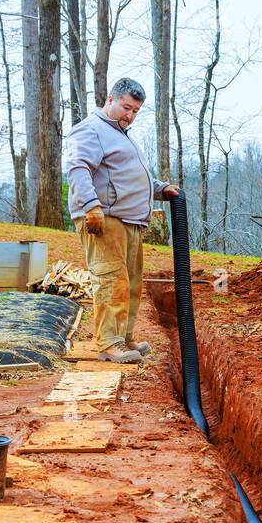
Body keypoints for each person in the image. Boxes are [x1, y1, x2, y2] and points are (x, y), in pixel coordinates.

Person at [65, 77, 180, 364]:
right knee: (110, 280)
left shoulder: (121, 134)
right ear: (110, 100)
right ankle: (108, 343)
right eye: (126, 107)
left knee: (129, 283)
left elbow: (130, 176)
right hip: (105, 219)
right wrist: (91, 207)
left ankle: (124, 337)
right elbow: (78, 168)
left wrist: (159, 188)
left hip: (128, 221)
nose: (130, 115)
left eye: (135, 111)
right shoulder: (91, 130)